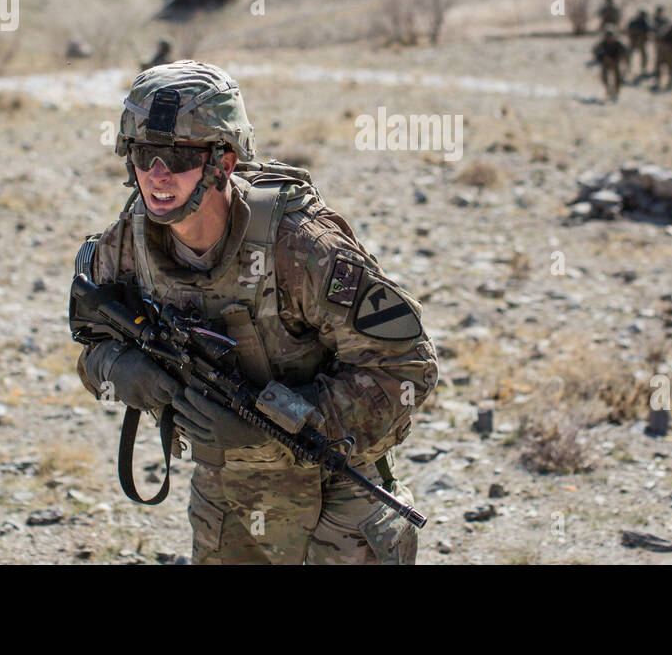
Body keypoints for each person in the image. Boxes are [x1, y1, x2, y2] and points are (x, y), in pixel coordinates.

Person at [70, 61, 437, 564]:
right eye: (144, 154)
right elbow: (91, 334)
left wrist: (286, 423)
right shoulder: (129, 243)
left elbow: (406, 368)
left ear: (224, 162)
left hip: (337, 493)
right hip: (230, 495)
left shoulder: (301, 248)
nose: (157, 174)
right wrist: (120, 370)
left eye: (177, 156)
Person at [591, 26, 629, 101]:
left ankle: (616, 91)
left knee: (617, 78)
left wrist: (622, 60)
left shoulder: (618, 44)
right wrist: (601, 58)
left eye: (610, 36)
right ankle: (608, 89)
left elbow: (624, 52)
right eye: (608, 36)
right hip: (606, 63)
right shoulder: (603, 43)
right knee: (604, 77)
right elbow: (596, 51)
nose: (609, 38)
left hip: (615, 62)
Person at [626, 7, 651, 77]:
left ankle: (643, 68)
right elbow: (629, 29)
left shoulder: (646, 23)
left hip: (641, 41)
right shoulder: (634, 22)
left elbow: (649, 31)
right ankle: (628, 67)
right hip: (634, 41)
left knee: (644, 56)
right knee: (628, 54)